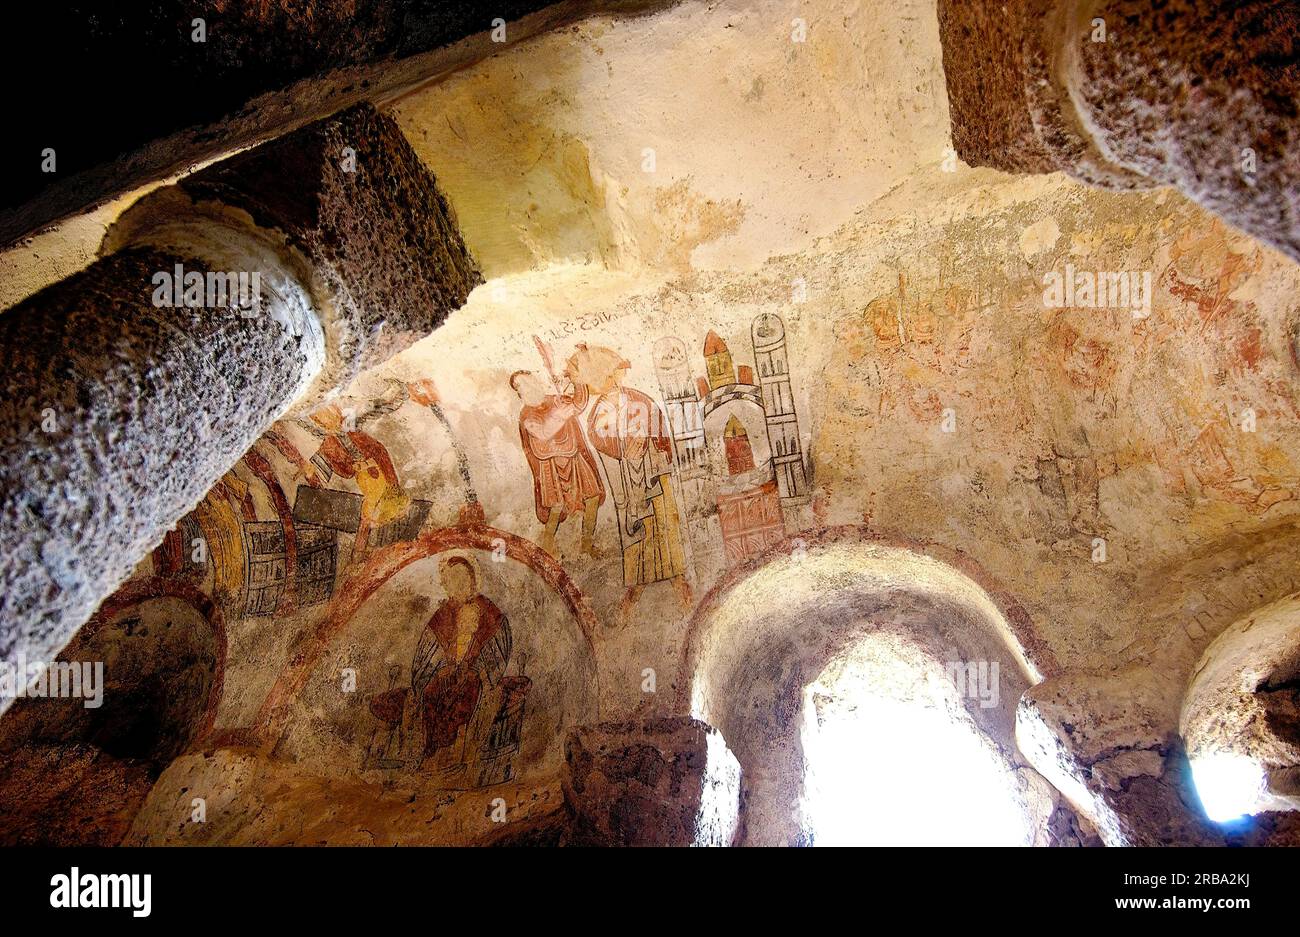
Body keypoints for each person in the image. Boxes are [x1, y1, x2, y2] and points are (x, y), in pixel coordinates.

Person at [511, 368, 605, 558]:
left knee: (592, 497)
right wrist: (560, 413)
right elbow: (543, 433)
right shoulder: (526, 415)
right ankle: (548, 546)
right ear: (519, 391)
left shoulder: (555, 399)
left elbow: (578, 405)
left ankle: (587, 544)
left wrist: (576, 379)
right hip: (551, 464)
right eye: (522, 385)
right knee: (556, 507)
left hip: (573, 456)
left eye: (529, 380)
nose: (528, 386)